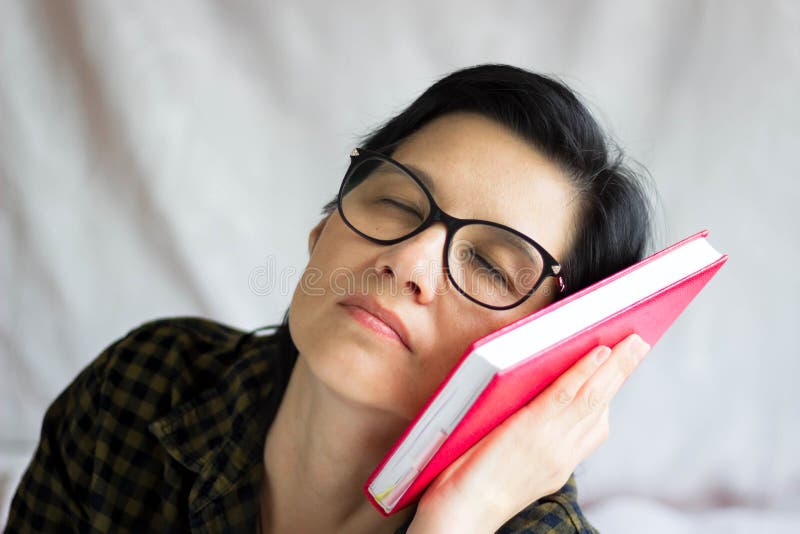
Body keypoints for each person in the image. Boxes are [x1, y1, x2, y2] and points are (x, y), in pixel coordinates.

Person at [6, 64, 654, 533]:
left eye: (488, 264)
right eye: (398, 202)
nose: (408, 261)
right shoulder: (143, 387)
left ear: (548, 346)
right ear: (324, 229)